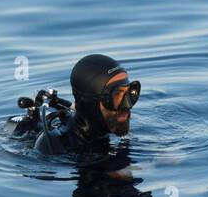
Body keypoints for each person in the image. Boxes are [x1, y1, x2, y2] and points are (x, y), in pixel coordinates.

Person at [10, 54, 140, 155]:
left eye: (129, 93)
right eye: (117, 95)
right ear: (90, 102)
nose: (127, 105)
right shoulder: (54, 146)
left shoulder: (104, 129)